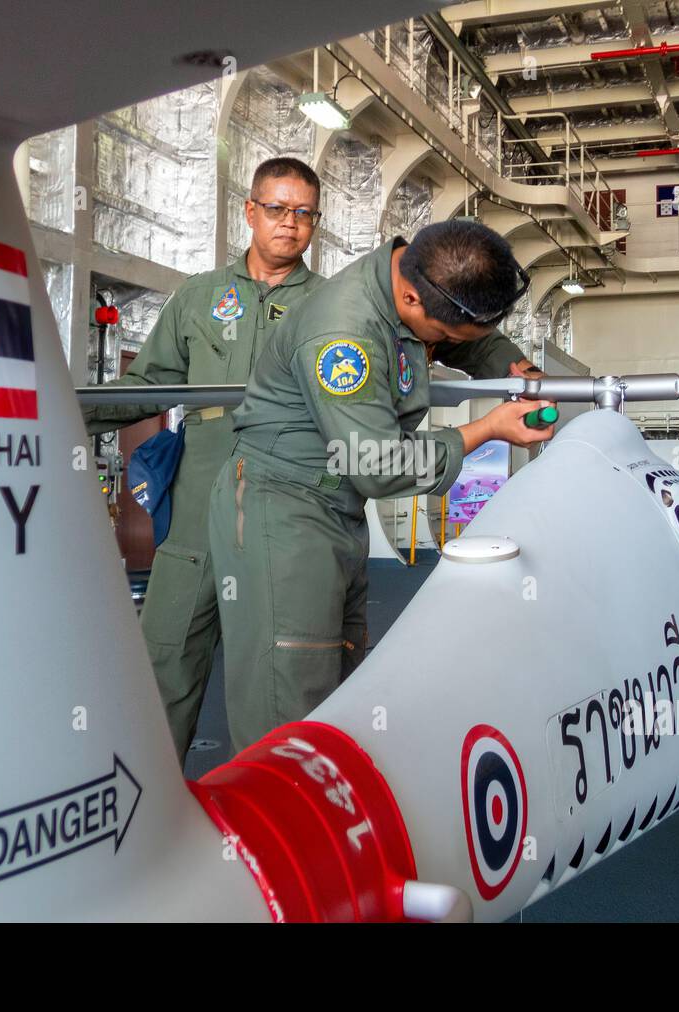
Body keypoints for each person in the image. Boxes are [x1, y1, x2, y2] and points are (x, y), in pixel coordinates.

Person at [208, 219, 555, 752]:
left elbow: (465, 340)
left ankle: (331, 819)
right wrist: (486, 429)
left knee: (339, 677)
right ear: (413, 298)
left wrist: (517, 368)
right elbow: (375, 463)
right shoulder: (343, 336)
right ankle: (278, 830)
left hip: (334, 508)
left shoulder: (412, 282)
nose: (441, 346)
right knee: (288, 703)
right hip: (285, 507)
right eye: (441, 338)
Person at [84, 157, 326, 765]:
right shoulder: (200, 297)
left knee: (276, 687)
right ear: (250, 212)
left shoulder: (332, 306)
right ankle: (141, 815)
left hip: (284, 519)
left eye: (303, 214)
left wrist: (509, 369)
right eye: (276, 209)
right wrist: (57, 407)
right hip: (196, 516)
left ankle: (275, 825)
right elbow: (148, 387)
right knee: (163, 667)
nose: (288, 225)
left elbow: (436, 318)